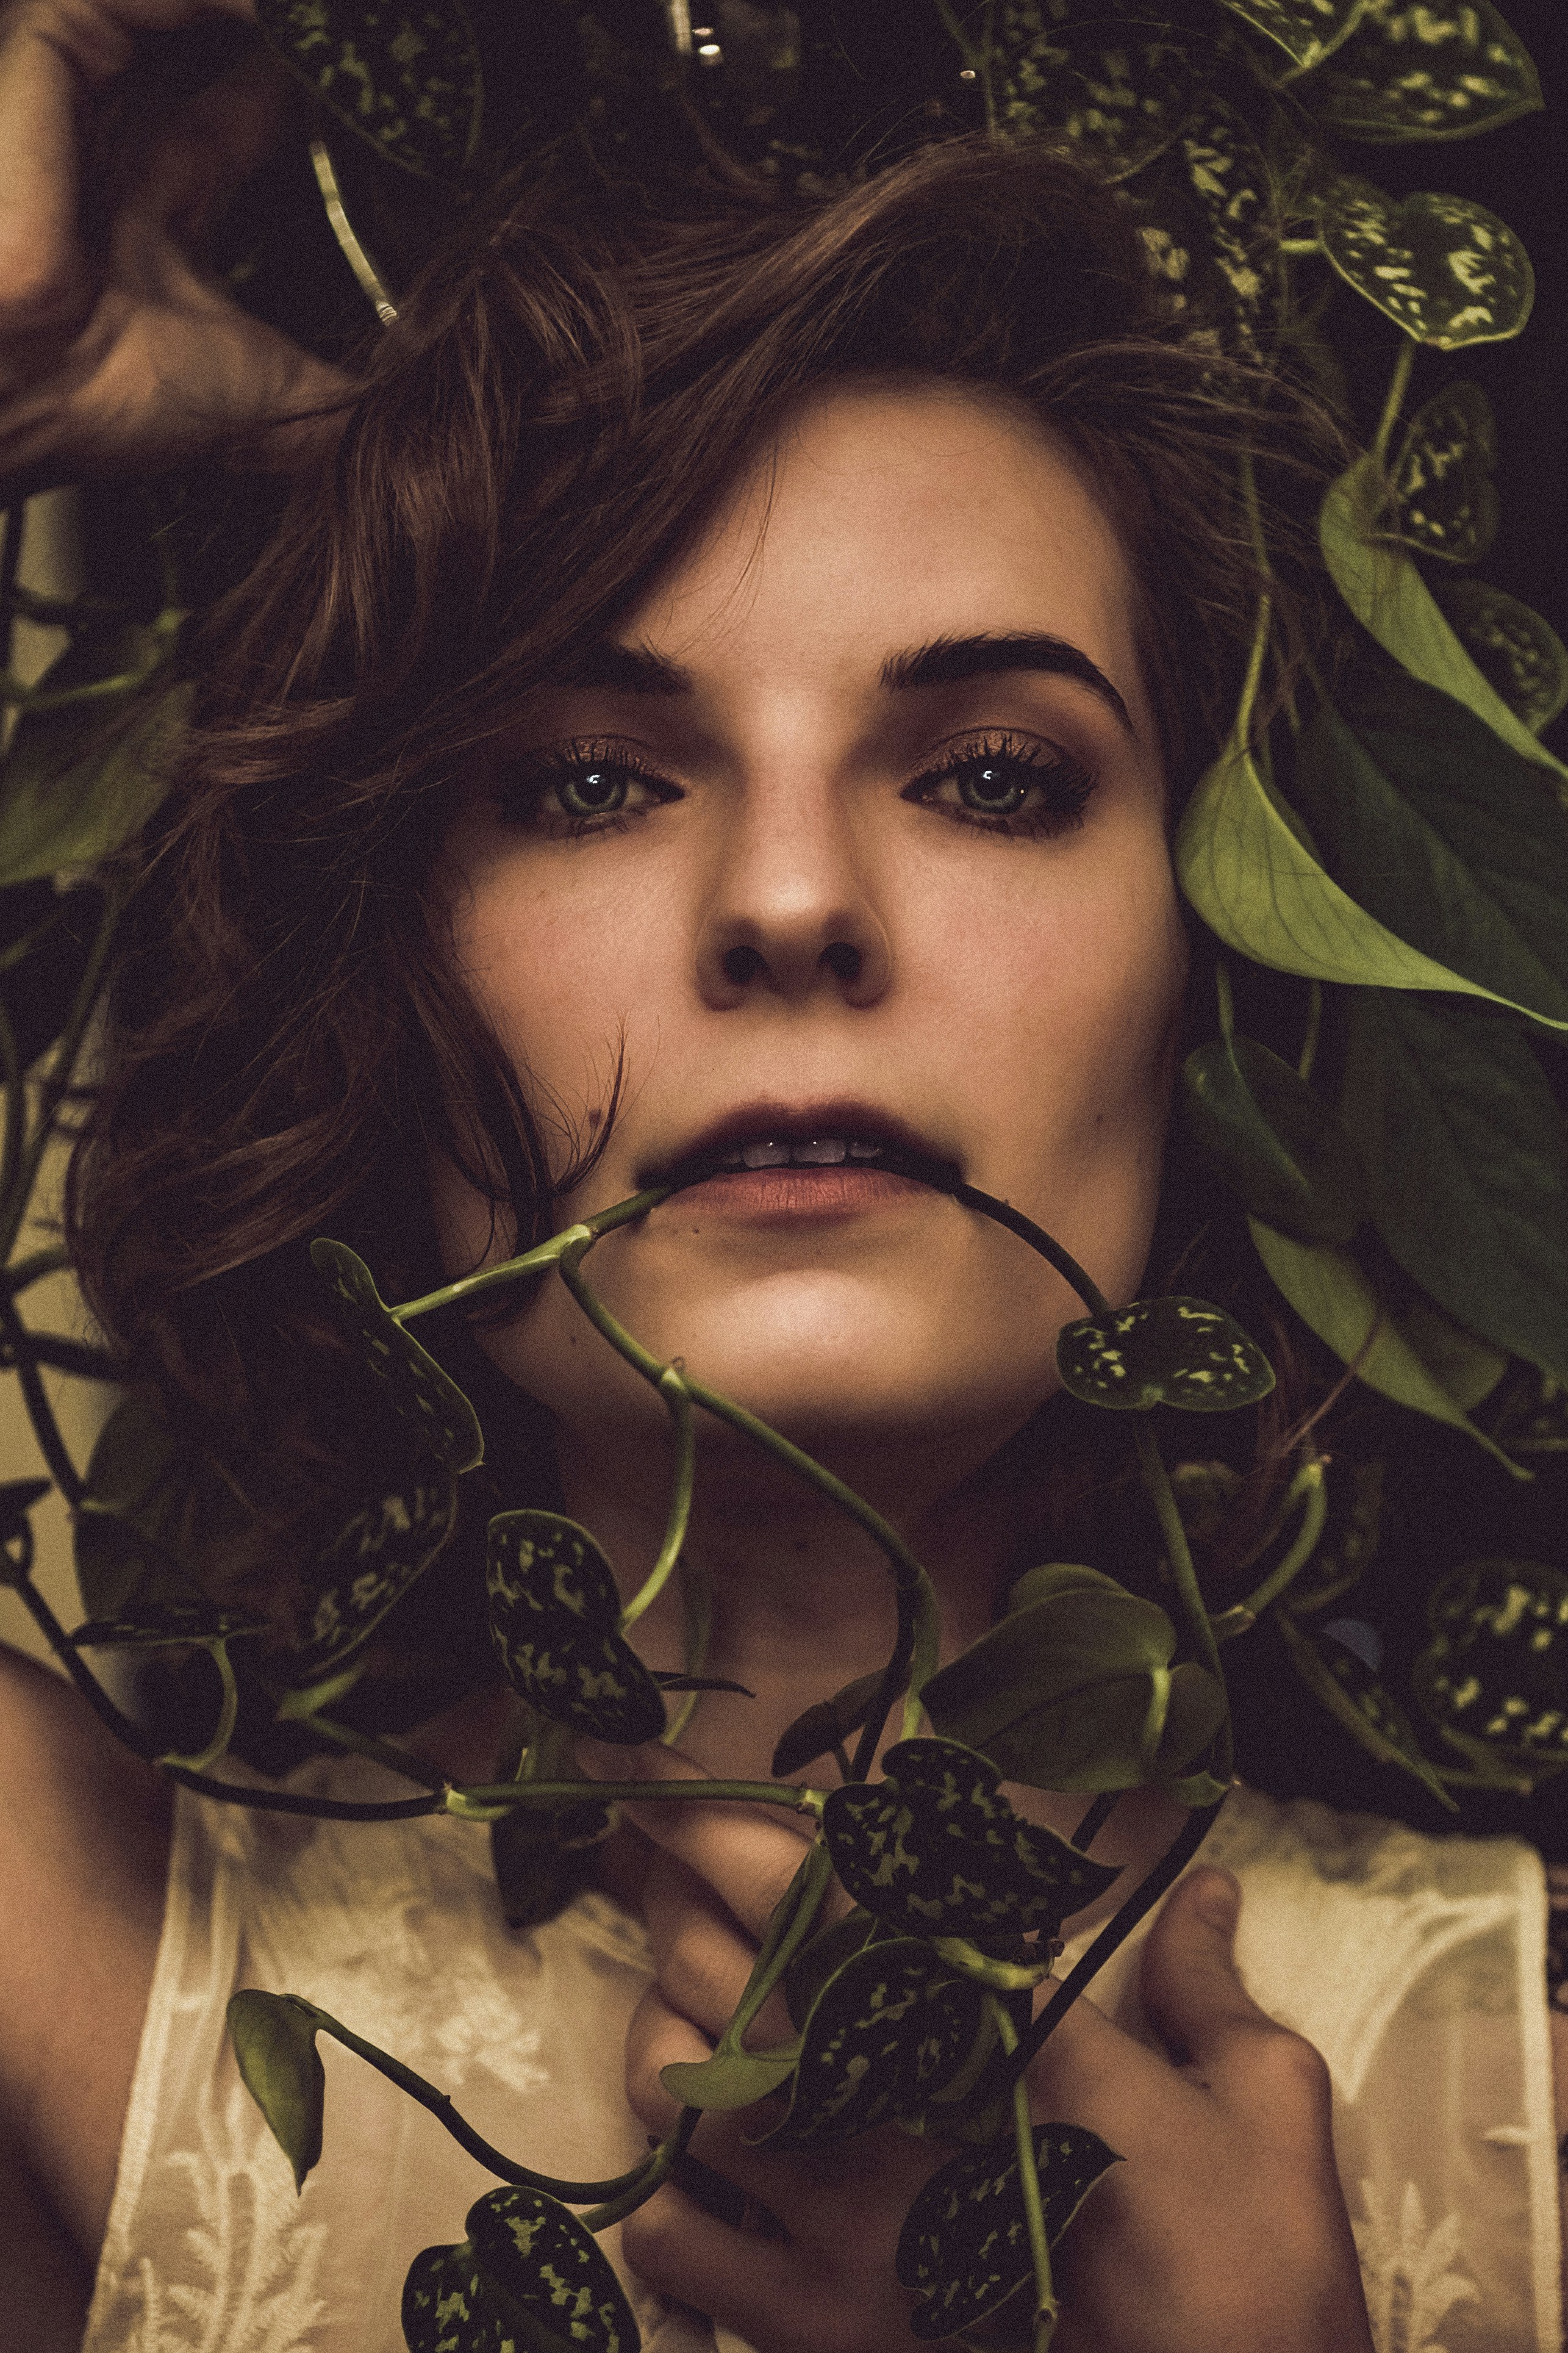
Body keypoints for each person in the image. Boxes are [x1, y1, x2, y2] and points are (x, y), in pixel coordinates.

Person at [0, 5, 1561, 2351]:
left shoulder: (1525, 2064)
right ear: (381, 971)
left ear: (1218, 980)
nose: (793, 899)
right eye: (594, 780)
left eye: (997, 775)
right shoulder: (54, 1969)